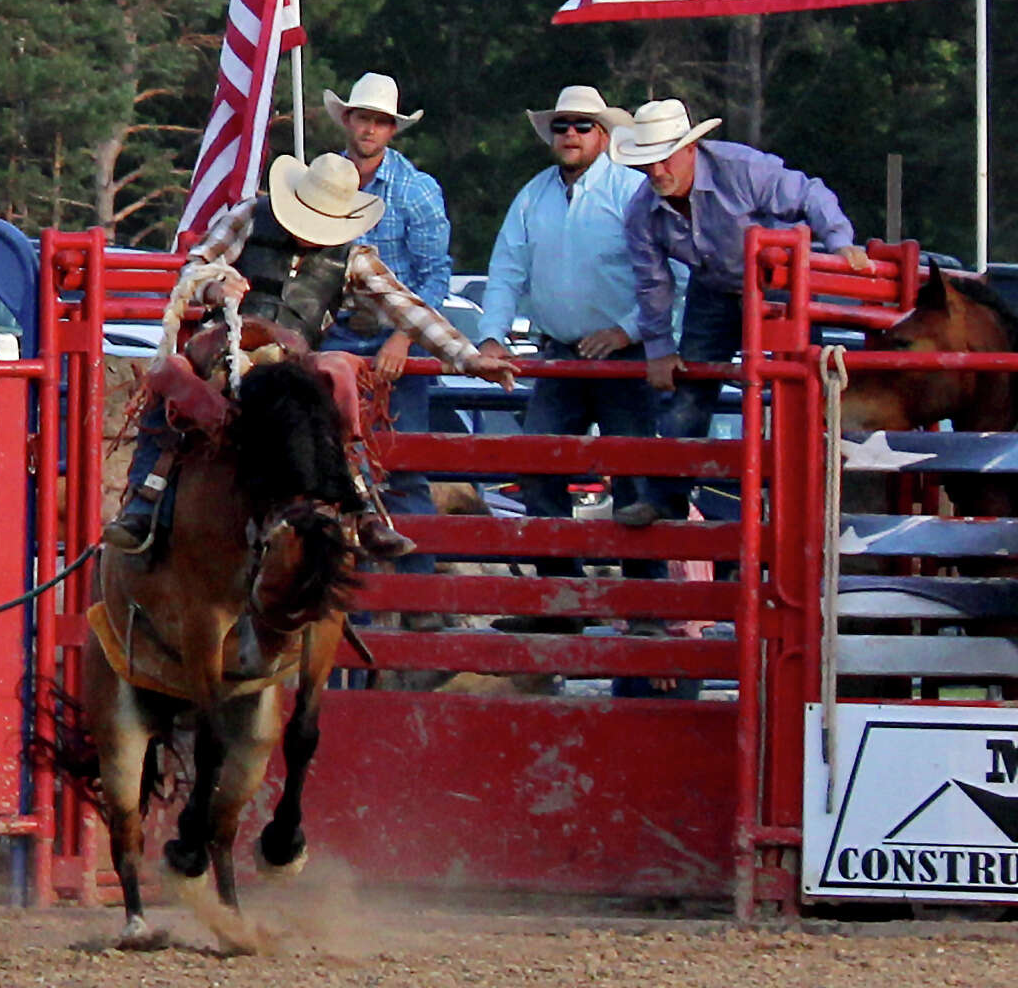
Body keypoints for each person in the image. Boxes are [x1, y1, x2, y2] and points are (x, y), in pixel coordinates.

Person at [102, 152, 515, 554]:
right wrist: (213, 285)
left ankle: (363, 505)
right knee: (171, 374)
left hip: (293, 360)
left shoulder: (354, 258)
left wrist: (467, 357)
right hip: (225, 341)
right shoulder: (249, 216)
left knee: (338, 375)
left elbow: (406, 307)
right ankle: (144, 499)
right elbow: (195, 265)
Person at [610, 97, 871, 526]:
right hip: (714, 290)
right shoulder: (642, 212)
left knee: (800, 391)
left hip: (780, 287)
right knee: (686, 394)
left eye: (665, 159)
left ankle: (809, 496)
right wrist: (658, 346)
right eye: (648, 163)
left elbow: (808, 193)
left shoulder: (740, 169)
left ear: (691, 149)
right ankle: (665, 498)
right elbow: (652, 281)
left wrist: (840, 240)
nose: (657, 172)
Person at [476, 85, 667, 634]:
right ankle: (562, 600)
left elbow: (665, 277)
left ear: (604, 135)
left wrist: (626, 330)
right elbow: (507, 269)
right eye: (562, 126)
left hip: (626, 359)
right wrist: (491, 336)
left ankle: (645, 608)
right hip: (562, 353)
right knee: (537, 471)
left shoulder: (634, 191)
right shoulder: (534, 196)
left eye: (582, 126)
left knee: (637, 484)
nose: (570, 135)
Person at [318, 73, 450, 619]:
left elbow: (435, 275)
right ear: (348, 121)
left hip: (394, 339)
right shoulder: (324, 182)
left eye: (379, 121)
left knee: (403, 468)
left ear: (392, 130)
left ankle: (416, 598)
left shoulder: (416, 190)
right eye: (362, 118)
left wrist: (403, 336)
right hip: (340, 335)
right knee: (340, 469)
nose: (369, 128)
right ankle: (359, 602)